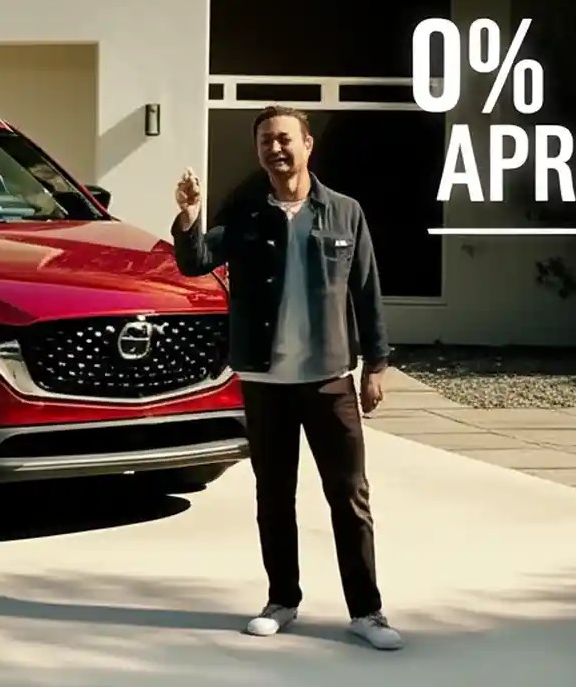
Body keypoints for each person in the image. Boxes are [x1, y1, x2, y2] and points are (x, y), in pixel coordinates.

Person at [170, 105, 402, 651]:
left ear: (307, 145)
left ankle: (367, 611)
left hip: (329, 380)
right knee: (274, 496)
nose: (275, 150)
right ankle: (282, 599)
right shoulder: (249, 215)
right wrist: (190, 214)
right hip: (266, 381)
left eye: (284, 140)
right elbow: (195, 260)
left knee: (349, 496)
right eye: (265, 143)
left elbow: (367, 293)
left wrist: (378, 364)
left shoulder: (345, 213)